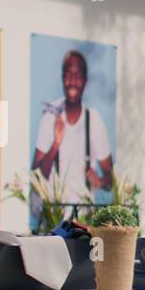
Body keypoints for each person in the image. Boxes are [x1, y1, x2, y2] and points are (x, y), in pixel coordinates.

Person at [31, 49, 114, 205]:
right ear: (62, 78)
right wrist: (55, 145)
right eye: (68, 75)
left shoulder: (94, 121)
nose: (73, 82)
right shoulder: (50, 117)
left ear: (85, 80)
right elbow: (36, 175)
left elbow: (111, 179)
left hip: (84, 218)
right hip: (53, 216)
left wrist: (101, 181)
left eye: (78, 76)